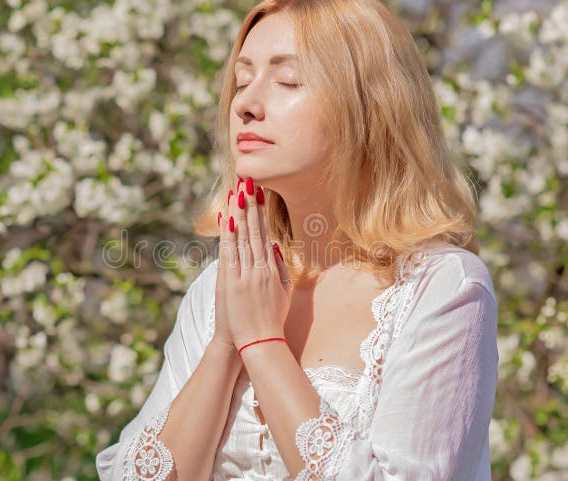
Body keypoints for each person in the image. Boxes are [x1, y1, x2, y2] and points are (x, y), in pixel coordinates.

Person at [96, 0, 499, 480]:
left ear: (370, 106)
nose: (245, 103)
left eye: (287, 81)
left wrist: (263, 343)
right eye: (242, 81)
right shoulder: (222, 289)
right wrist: (226, 342)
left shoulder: (443, 287)